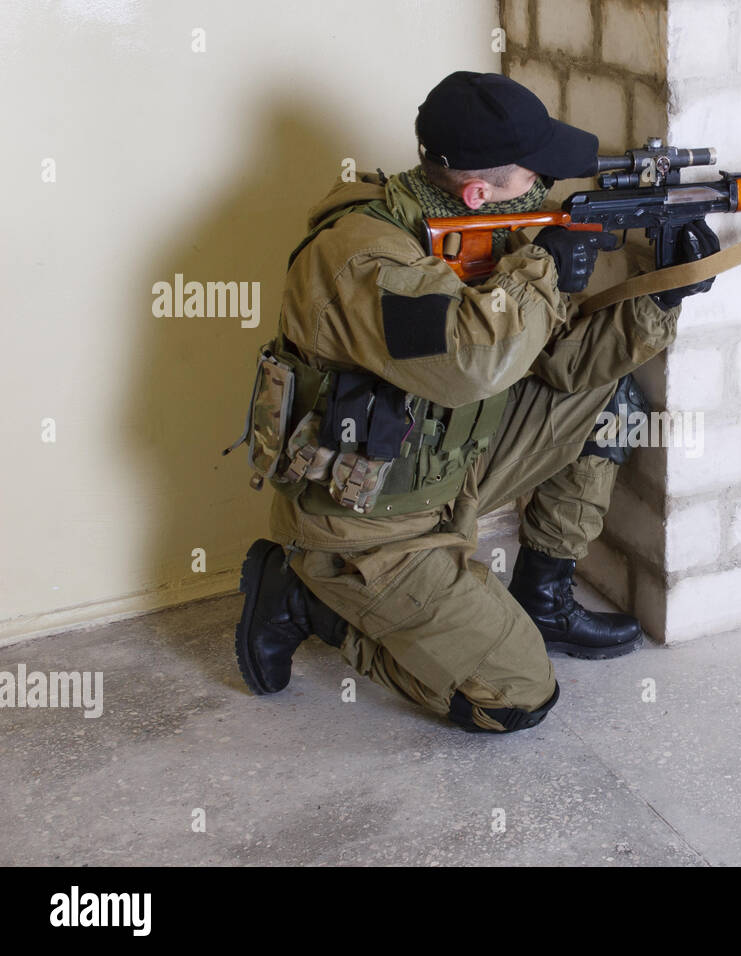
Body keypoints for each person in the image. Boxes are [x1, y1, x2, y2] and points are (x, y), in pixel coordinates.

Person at [227, 71, 715, 733]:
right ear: (481, 189)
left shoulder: (471, 229)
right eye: (533, 179)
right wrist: (546, 266)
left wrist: (664, 295)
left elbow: (567, 366)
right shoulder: (364, 263)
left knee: (610, 402)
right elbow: (470, 365)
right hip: (367, 526)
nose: (546, 190)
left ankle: (543, 597)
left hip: (445, 471)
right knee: (516, 697)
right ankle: (307, 602)